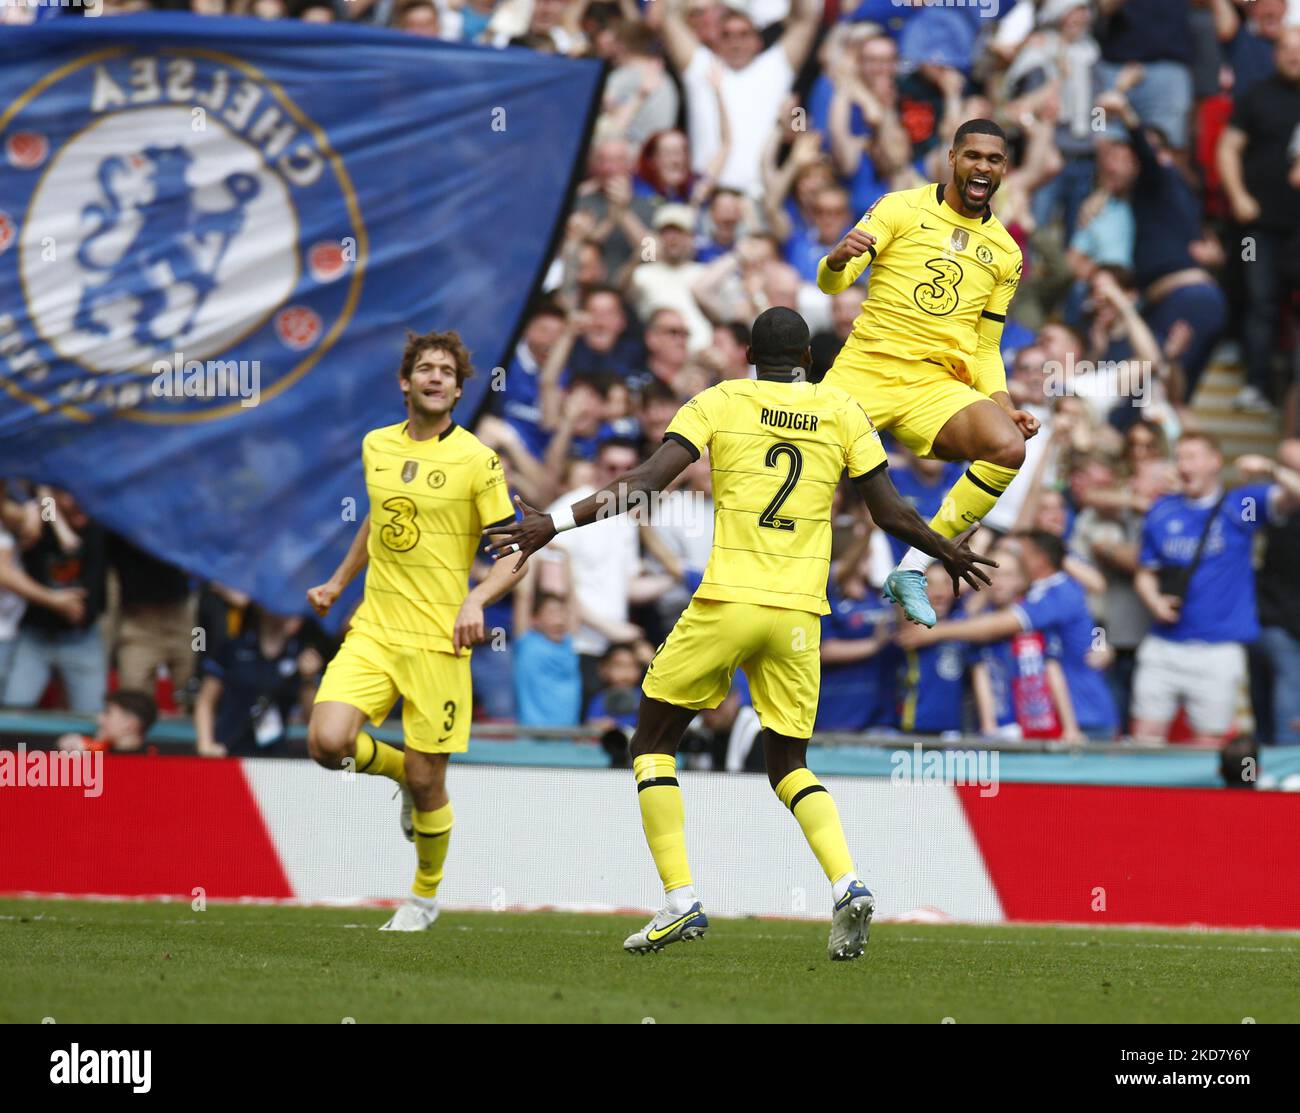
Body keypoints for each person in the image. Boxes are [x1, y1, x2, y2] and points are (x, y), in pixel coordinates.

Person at [487, 307, 993, 961]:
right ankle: (847, 881)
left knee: (652, 741)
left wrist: (551, 525)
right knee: (789, 762)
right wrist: (943, 550)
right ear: (808, 359)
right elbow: (889, 510)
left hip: (727, 600)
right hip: (799, 615)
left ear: (750, 355)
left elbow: (641, 485)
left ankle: (680, 899)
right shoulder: (841, 410)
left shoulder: (719, 400)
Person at [304, 329, 525, 932]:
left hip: (439, 643)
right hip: (375, 628)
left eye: (445, 372)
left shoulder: (477, 460)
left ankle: (424, 897)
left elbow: (514, 550)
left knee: (433, 785)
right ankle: (400, 771)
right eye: (424, 368)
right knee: (326, 743)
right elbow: (380, 517)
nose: (434, 377)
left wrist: (477, 597)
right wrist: (337, 582)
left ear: (457, 389)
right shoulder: (376, 445)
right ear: (405, 382)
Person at [817, 119, 1039, 628]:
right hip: (864, 371)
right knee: (805, 468)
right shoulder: (900, 206)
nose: (983, 166)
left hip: (935, 386)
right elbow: (834, 284)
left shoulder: (1006, 252)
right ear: (953, 158)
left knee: (1007, 447)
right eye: (974, 156)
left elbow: (985, 346)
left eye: (994, 159)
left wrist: (1002, 402)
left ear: (1004, 169)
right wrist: (835, 261)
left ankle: (913, 569)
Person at [1131, 433, 1300, 745]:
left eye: (1193, 457)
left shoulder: (1241, 505)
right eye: (1180, 457)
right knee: (1145, 738)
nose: (1184, 466)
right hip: (1164, 645)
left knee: (1209, 743)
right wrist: (1154, 601)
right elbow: (1145, 572)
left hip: (1219, 648)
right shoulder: (1163, 510)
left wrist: (1271, 470)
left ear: (1215, 462)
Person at [899, 530, 1117, 742]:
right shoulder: (993, 610)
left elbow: (1004, 625)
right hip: (1019, 727)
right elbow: (1094, 626)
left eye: (1009, 573)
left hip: (1081, 716)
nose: (1000, 581)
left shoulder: (1051, 595)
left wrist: (1103, 646)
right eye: (994, 574)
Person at [193, 609, 321, 757]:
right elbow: (206, 701)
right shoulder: (232, 648)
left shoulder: (300, 656)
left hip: (274, 757)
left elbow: (313, 719)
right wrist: (205, 744)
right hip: (226, 749)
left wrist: (309, 680)